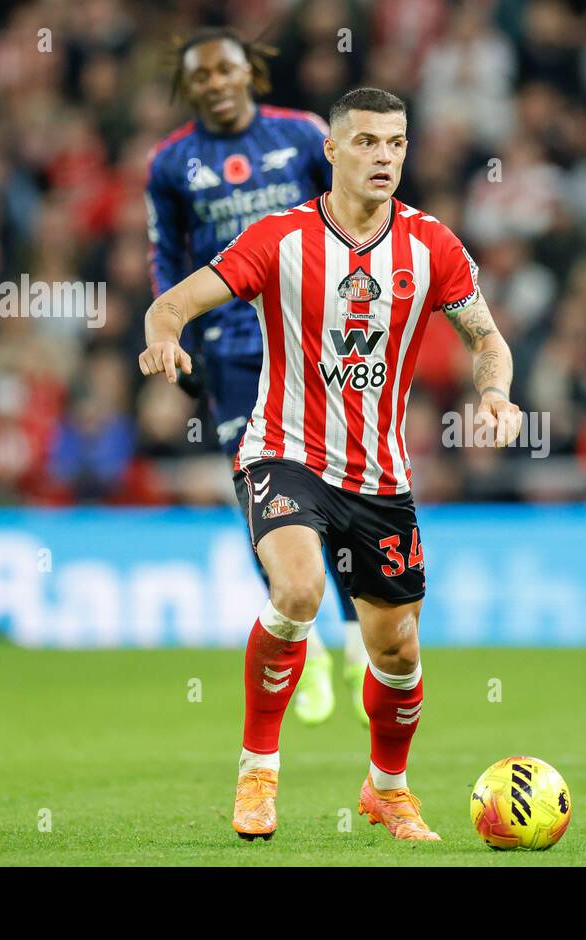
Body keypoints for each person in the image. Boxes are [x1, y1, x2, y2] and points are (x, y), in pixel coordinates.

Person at [139, 87, 523, 841]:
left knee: (397, 650)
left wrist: (499, 395)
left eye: (398, 144)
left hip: (380, 476)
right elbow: (173, 303)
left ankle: (387, 789)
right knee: (298, 587)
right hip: (284, 450)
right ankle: (257, 774)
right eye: (370, 142)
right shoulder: (278, 238)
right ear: (334, 150)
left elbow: (487, 339)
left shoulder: (433, 245)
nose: (385, 157)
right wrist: (163, 337)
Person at [146, 28, 365, 725]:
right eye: (201, 75)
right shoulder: (170, 164)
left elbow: (355, 221)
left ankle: (361, 642)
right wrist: (175, 335)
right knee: (265, 502)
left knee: (339, 490)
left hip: (316, 341)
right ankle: (301, 642)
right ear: (189, 89)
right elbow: (165, 259)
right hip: (231, 352)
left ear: (251, 74)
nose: (215, 82)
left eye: (226, 69)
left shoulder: (304, 137)